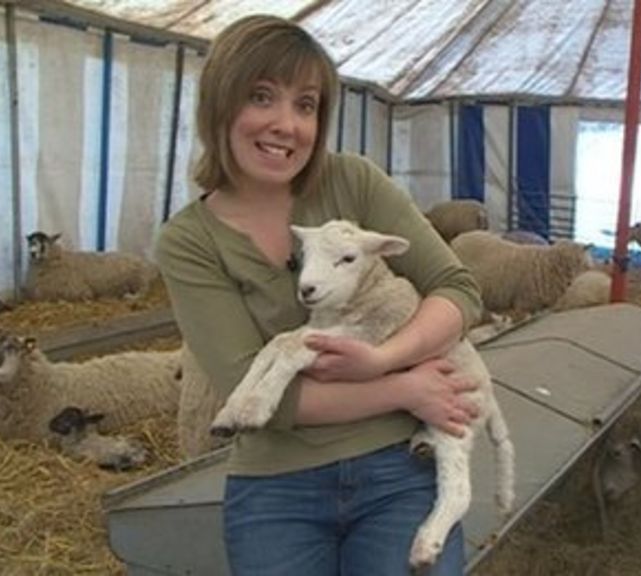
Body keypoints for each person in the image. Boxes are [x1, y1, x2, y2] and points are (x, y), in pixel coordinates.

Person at [154, 15, 484, 576]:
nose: (287, 124)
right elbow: (260, 402)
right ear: (219, 105)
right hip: (275, 488)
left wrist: (380, 358)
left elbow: (458, 290)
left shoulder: (352, 182)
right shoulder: (189, 242)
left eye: (306, 105)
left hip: (398, 467)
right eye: (262, 97)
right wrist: (405, 388)